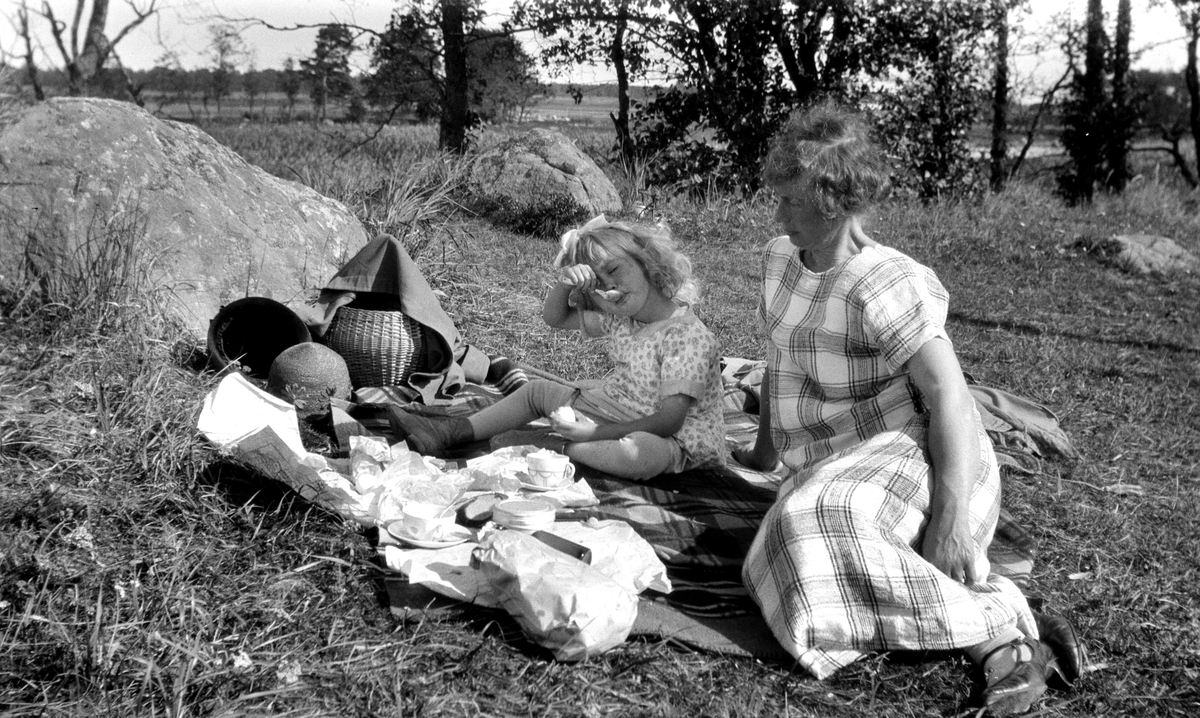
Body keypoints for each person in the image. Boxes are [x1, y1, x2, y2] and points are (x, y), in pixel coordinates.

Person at [733, 103, 1083, 715]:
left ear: (834, 200)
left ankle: (1003, 635)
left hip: (916, 456)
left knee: (808, 522)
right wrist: (763, 456)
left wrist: (948, 519)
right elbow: (779, 359)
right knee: (783, 536)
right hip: (833, 465)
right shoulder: (779, 260)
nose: (777, 213)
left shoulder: (884, 281)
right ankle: (985, 612)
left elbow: (949, 395)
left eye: (790, 201)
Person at [387, 215, 726, 481]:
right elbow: (554, 317)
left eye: (615, 269)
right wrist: (566, 282)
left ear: (647, 263)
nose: (609, 286)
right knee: (537, 392)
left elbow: (668, 422)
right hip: (619, 409)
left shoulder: (686, 337)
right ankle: (451, 430)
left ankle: (553, 446)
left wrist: (592, 433)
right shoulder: (623, 319)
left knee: (641, 453)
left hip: (675, 441)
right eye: (597, 282)